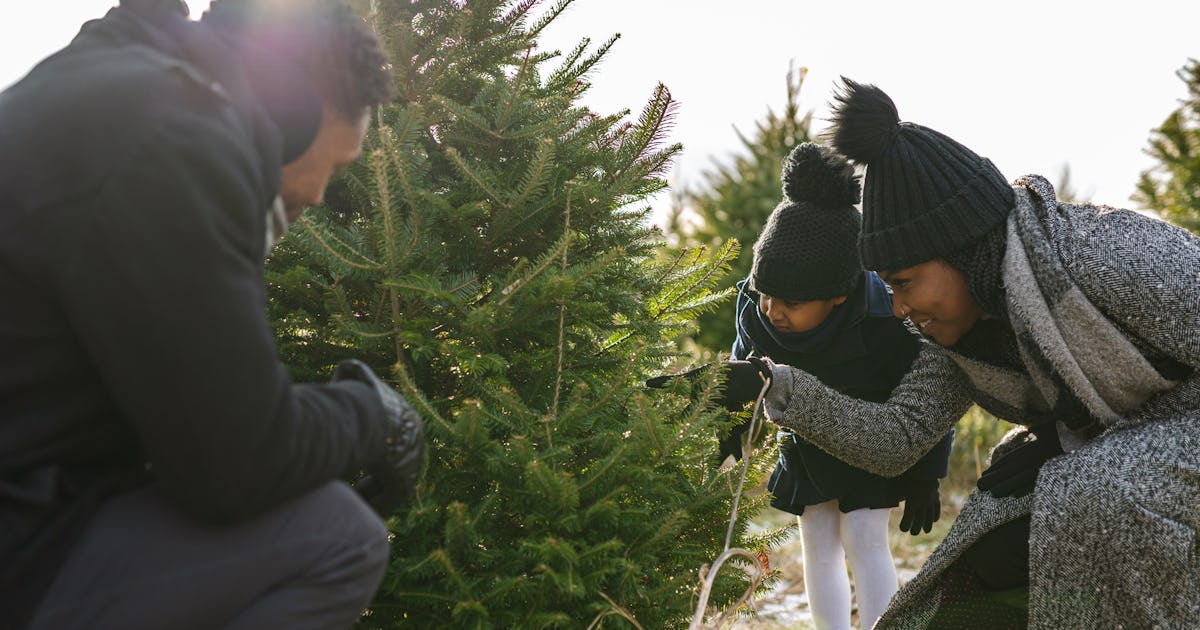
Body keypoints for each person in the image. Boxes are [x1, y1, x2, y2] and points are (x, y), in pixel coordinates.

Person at [0, 1, 424, 628]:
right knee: (338, 536)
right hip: (20, 542)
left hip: (34, 497)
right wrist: (377, 416)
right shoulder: (174, 144)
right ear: (296, 109)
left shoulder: (113, 88)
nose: (317, 195)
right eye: (337, 166)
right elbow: (238, 466)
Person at [717, 78, 1200, 628]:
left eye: (903, 283)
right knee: (983, 559)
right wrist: (776, 384)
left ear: (960, 249)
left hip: (1156, 463)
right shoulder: (959, 337)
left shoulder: (1103, 253)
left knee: (1089, 493)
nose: (898, 308)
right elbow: (896, 438)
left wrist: (1080, 443)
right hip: (1121, 469)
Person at [726, 142, 954, 630]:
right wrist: (732, 422)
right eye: (766, 295)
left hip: (869, 440)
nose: (773, 311)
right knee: (817, 536)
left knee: (864, 536)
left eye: (791, 302)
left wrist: (927, 474)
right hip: (804, 447)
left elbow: (927, 399)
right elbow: (740, 371)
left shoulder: (883, 320)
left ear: (836, 295)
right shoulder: (758, 313)